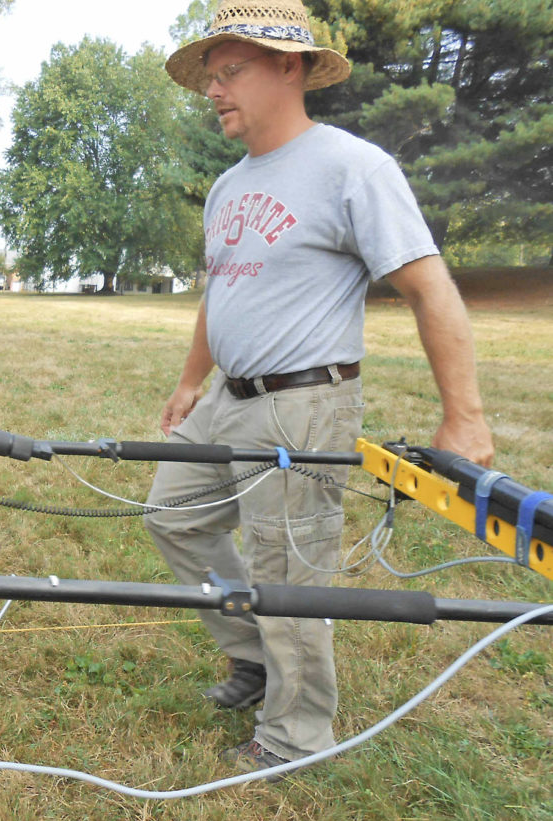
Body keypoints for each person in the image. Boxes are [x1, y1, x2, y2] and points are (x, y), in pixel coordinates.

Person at [145, 0, 494, 779]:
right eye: (211, 76)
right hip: (226, 398)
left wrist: (465, 417)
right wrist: (191, 380)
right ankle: (254, 653)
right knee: (172, 514)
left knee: (289, 570)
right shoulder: (227, 187)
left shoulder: (352, 167)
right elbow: (223, 288)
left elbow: (429, 289)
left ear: (290, 67)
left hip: (303, 404)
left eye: (230, 71)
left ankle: (295, 735)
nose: (213, 90)